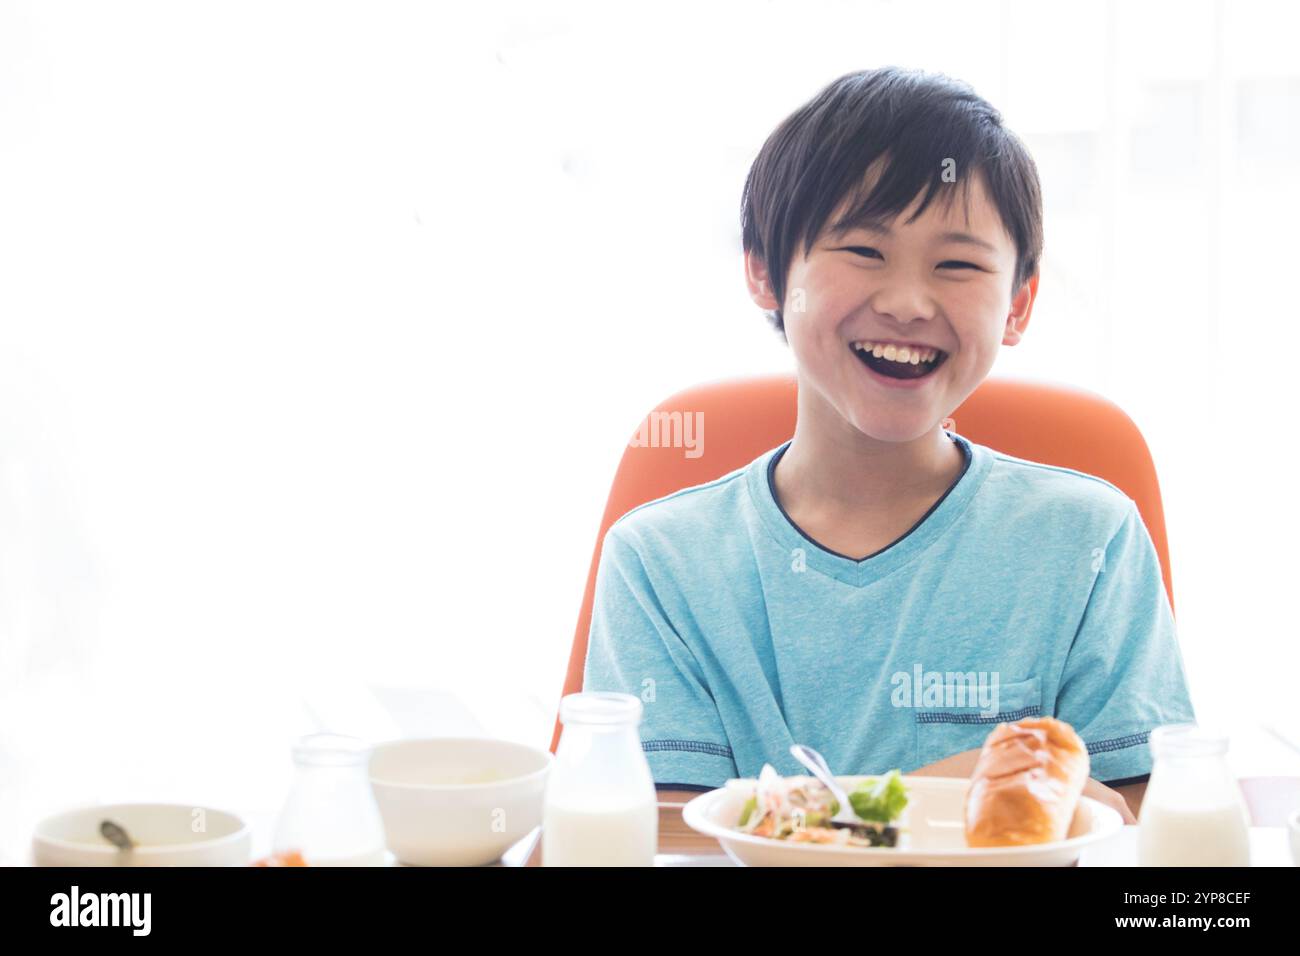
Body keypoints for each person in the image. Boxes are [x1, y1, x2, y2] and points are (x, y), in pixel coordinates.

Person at [583, 67, 1196, 824]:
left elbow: (1136, 823)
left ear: (1019, 304)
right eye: (864, 252)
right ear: (766, 272)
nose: (907, 303)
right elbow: (672, 836)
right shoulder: (659, 563)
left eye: (959, 264)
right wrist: (949, 788)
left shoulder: (1089, 542)